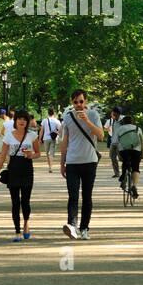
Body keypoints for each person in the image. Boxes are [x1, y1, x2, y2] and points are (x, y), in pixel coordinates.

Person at [60, 88, 104, 240]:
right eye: (75, 102)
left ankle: (84, 228)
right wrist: (62, 162)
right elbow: (65, 141)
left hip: (89, 161)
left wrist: (86, 120)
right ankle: (72, 226)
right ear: (72, 103)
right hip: (72, 162)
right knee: (72, 196)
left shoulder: (93, 115)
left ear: (85, 101)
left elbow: (101, 134)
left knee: (87, 196)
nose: (78, 105)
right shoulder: (68, 117)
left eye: (81, 101)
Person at [0, 107, 40, 239]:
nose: (22, 121)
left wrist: (31, 155)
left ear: (28, 122)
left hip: (27, 169)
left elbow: (38, 153)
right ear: (15, 121)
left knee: (25, 201)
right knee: (15, 202)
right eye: (19, 119)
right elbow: (2, 156)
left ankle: (26, 223)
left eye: (24, 119)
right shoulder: (9, 135)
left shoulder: (32, 136)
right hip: (13, 169)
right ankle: (17, 231)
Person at [115, 111, 143, 198]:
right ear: (132, 122)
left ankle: (123, 176)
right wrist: (142, 153)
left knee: (125, 162)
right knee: (135, 168)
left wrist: (118, 155)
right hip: (136, 150)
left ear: (123, 122)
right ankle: (134, 186)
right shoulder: (138, 128)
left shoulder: (120, 129)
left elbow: (117, 143)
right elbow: (141, 142)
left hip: (124, 151)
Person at [38, 107, 62, 173]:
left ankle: (49, 166)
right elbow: (61, 128)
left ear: (48, 113)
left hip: (46, 138)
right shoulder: (56, 121)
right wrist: (57, 132)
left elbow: (41, 131)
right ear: (54, 113)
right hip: (53, 138)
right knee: (51, 153)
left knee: (47, 153)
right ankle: (50, 167)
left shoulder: (44, 120)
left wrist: (39, 139)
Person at [105, 106, 122, 179]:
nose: (114, 114)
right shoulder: (112, 120)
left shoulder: (123, 120)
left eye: (116, 113)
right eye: (114, 112)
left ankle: (126, 170)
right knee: (112, 157)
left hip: (121, 143)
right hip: (113, 142)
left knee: (122, 158)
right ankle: (117, 173)